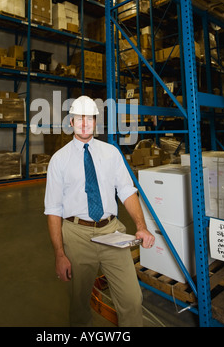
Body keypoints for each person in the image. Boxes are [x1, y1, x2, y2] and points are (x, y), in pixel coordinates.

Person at [44, 95, 155, 327]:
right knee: (79, 306)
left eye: (90, 118)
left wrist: (141, 227)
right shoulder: (59, 160)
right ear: (71, 122)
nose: (84, 123)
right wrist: (59, 253)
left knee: (132, 301)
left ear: (96, 122)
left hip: (112, 232)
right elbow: (53, 210)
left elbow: (127, 191)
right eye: (79, 118)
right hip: (76, 235)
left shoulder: (111, 153)